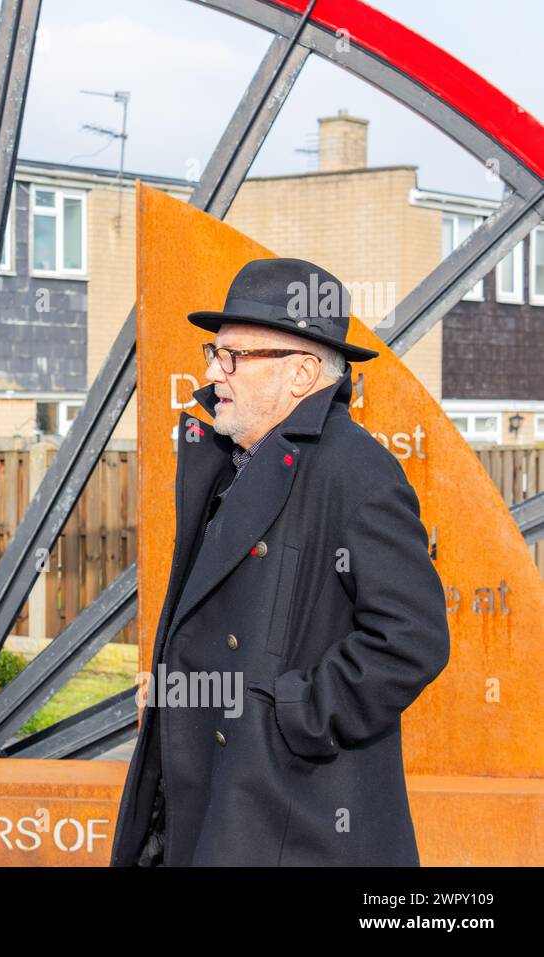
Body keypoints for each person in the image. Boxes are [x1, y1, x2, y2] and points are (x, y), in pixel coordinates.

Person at [110, 257, 450, 866]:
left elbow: (412, 639)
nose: (213, 372)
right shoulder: (234, 458)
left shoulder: (356, 471)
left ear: (301, 373)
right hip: (212, 794)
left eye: (234, 356)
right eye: (214, 352)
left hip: (289, 820)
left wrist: (286, 716)